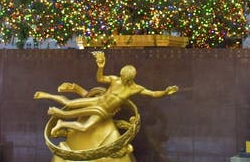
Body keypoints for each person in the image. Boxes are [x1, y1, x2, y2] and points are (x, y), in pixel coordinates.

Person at [34, 50, 178, 136]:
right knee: (69, 103)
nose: (122, 79)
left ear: (131, 78)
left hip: (103, 111)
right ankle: (47, 95)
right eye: (122, 76)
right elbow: (100, 78)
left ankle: (61, 123)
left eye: (125, 78)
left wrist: (165, 92)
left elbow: (152, 94)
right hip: (98, 101)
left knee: (84, 127)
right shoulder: (115, 80)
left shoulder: (135, 88)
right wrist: (101, 67)